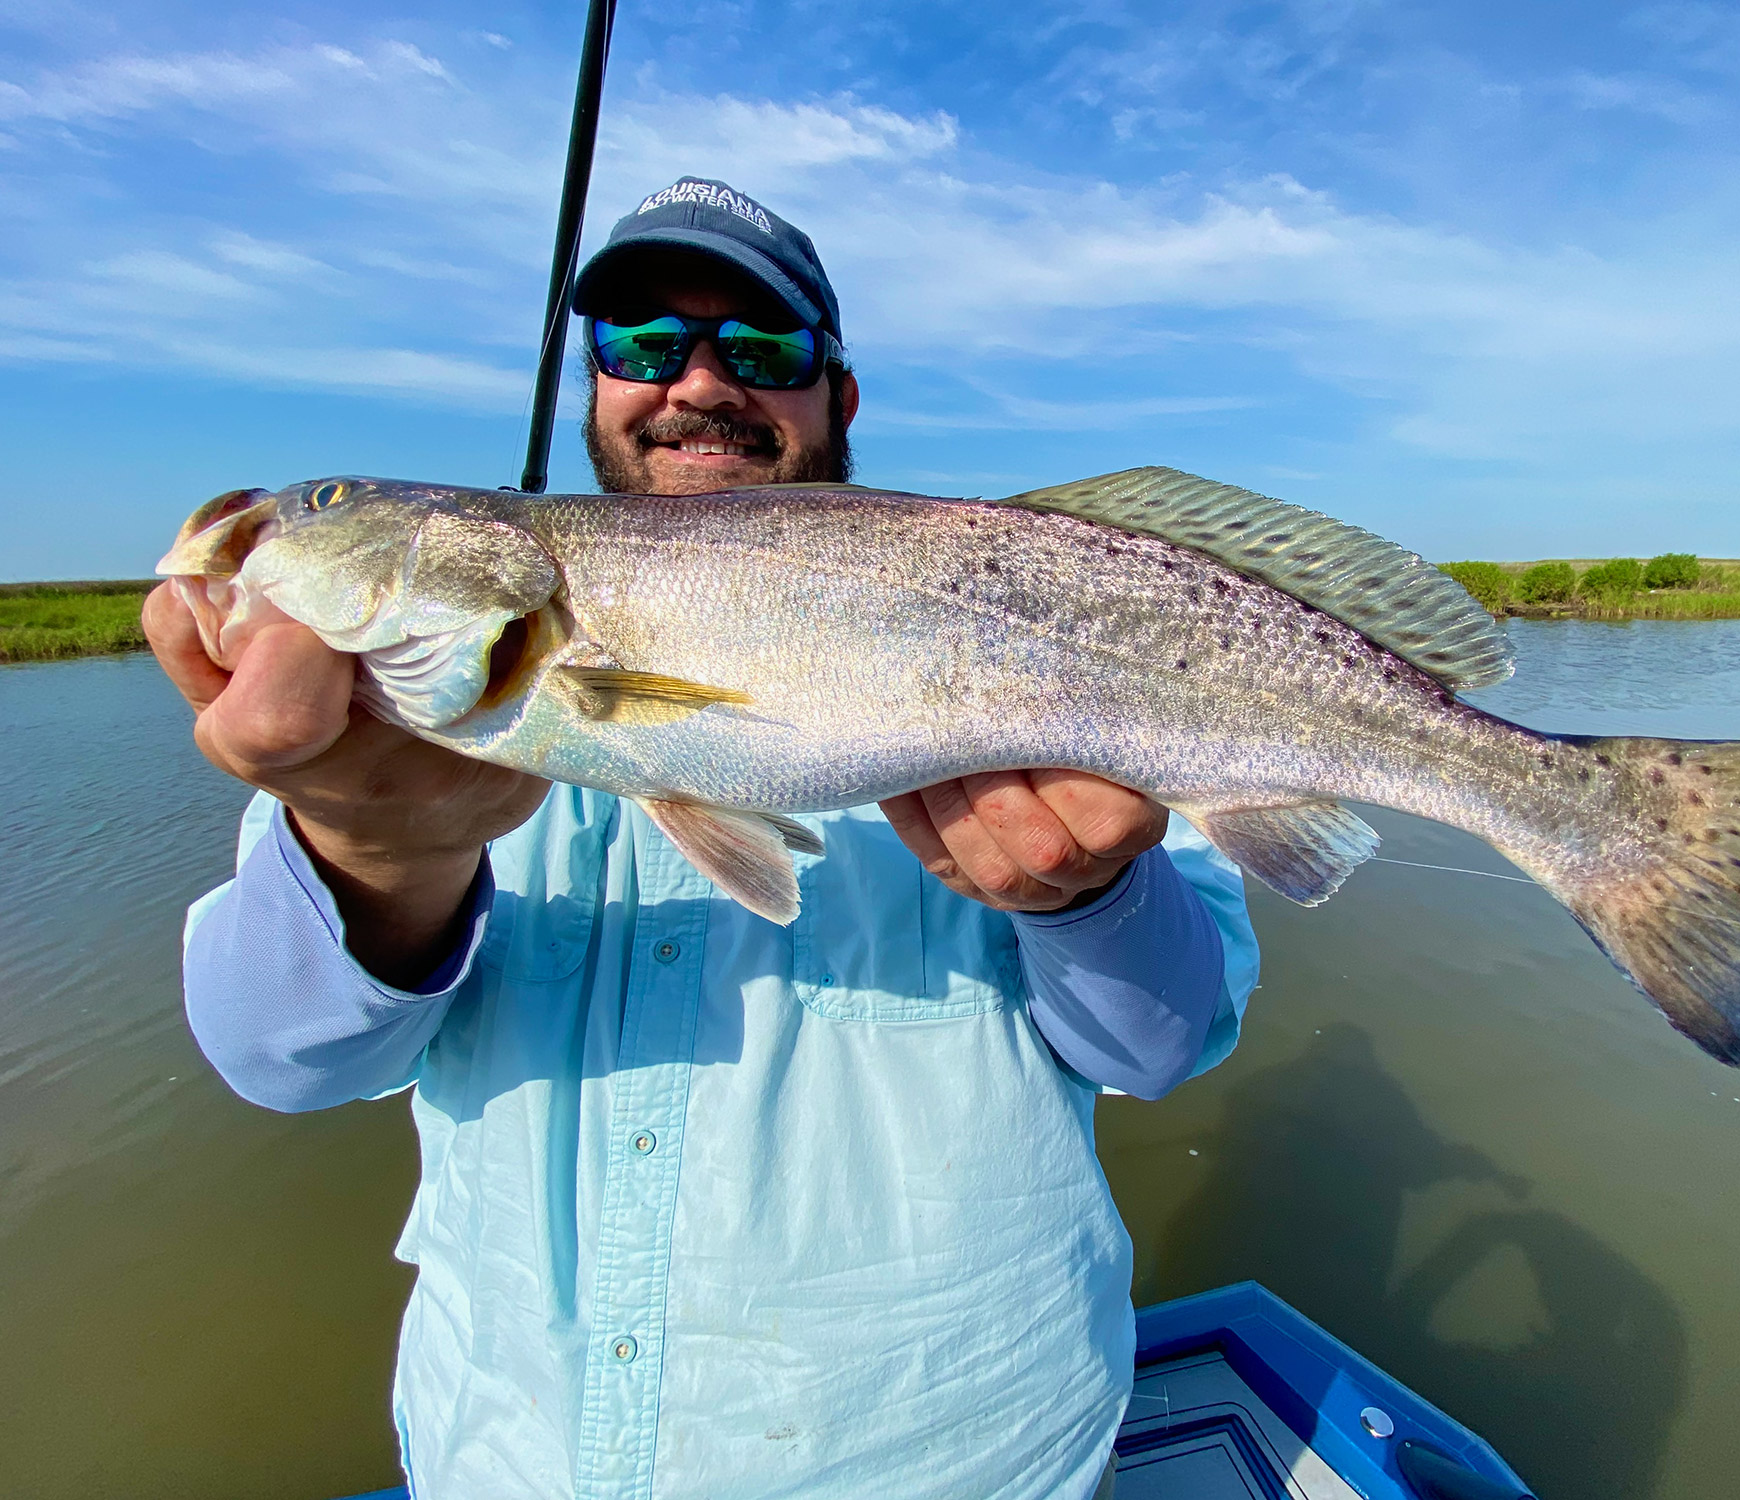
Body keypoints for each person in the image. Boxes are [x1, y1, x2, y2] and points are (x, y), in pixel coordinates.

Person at [145, 177, 1259, 1500]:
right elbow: (279, 1065)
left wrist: (1086, 899)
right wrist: (375, 861)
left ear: (838, 400)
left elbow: (1166, 1048)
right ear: (597, 395)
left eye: (766, 349)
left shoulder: (1033, 615)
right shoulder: (393, 726)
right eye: (639, 346)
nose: (698, 383)